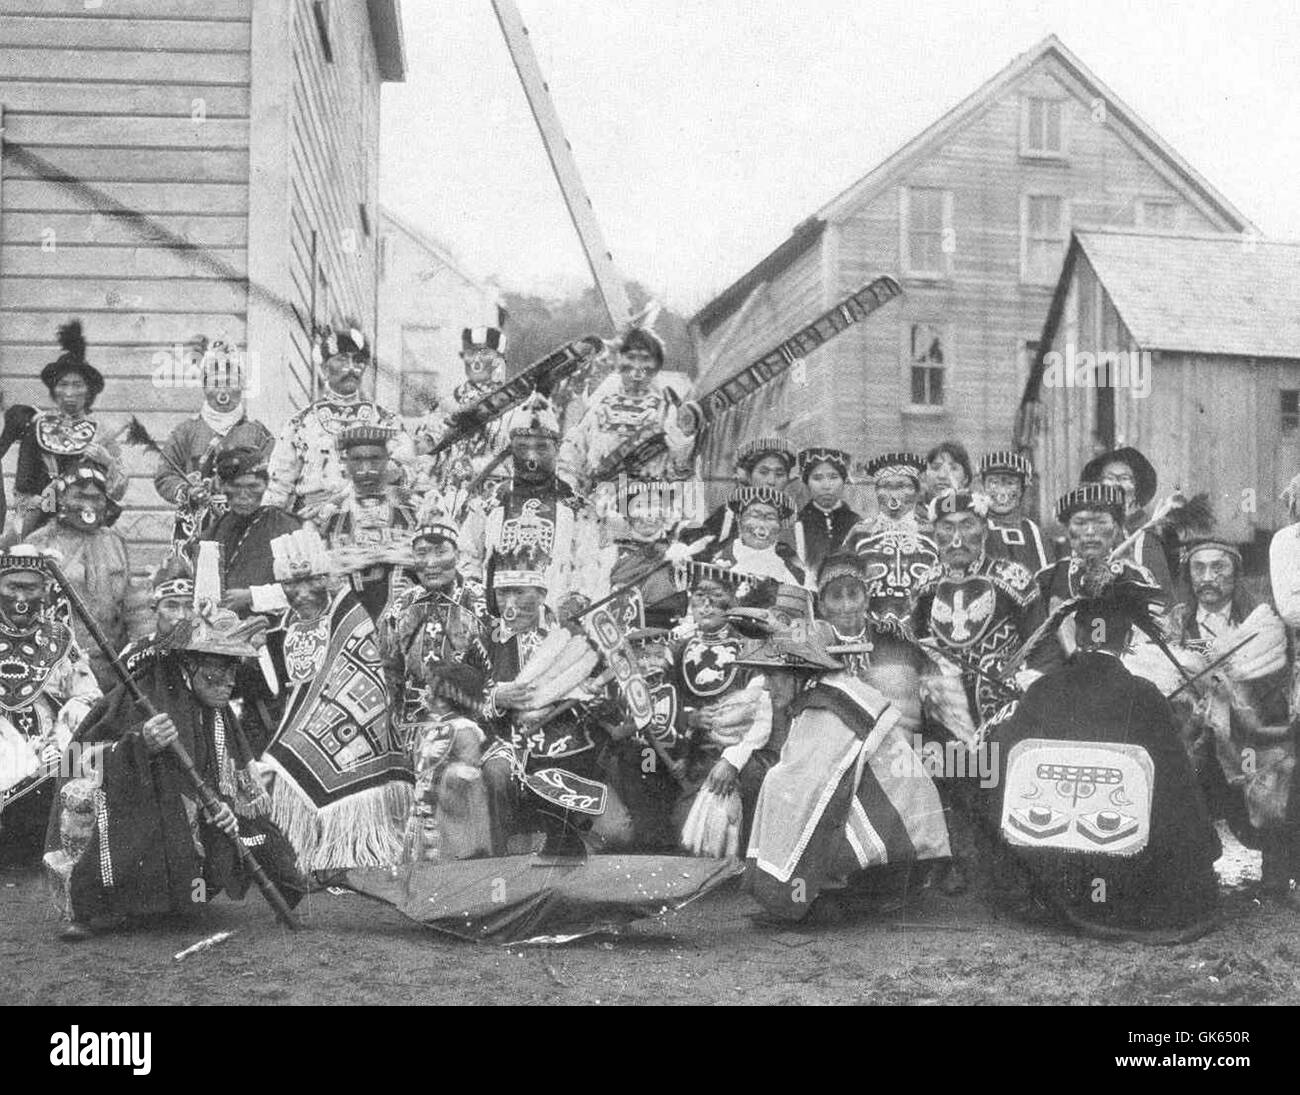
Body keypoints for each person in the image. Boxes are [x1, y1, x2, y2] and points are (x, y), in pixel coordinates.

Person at [978, 564, 1220, 941]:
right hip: (1124, 880)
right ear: (1127, 641)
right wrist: (1204, 849)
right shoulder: (1145, 696)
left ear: (1075, 633)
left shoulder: (1041, 691)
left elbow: (1004, 787)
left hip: (1049, 876)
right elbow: (1178, 797)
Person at [44, 606, 308, 941]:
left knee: (218, 865)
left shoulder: (218, 713)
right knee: (144, 811)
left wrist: (224, 804)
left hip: (193, 823)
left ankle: (189, 902)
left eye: (233, 669)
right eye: (216, 669)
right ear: (187, 664)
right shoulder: (139, 697)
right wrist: (139, 744)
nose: (228, 681)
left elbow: (229, 778)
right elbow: (74, 762)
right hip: (137, 810)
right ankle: (94, 907)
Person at [744, 623, 951, 924]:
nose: (766, 686)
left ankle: (804, 898)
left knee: (784, 788)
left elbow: (814, 785)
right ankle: (820, 894)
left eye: (773, 676)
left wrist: (776, 782)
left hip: (903, 840)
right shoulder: (826, 692)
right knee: (783, 784)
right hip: (904, 826)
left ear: (797, 673)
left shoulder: (827, 704)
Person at [910, 490, 1042, 896]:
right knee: (932, 760)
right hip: (943, 713)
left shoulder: (1014, 580)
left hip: (1004, 709)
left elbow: (1044, 646)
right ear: (933, 533)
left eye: (967, 526)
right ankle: (950, 859)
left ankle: (1011, 868)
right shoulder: (925, 586)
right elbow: (914, 648)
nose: (957, 538)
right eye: (946, 528)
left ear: (984, 528)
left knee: (996, 768)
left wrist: (1025, 682)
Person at [259, 527, 411, 872]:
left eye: (308, 581)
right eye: (290, 586)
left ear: (325, 579)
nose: (300, 593)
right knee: (282, 750)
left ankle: (344, 848)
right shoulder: (282, 626)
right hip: (301, 718)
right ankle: (299, 850)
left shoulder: (350, 618)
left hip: (355, 720)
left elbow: (366, 680)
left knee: (289, 750)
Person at [1169, 537, 1296, 904]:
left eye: (1219, 567)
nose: (1208, 577)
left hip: (1247, 739)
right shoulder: (1177, 623)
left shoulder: (1263, 624)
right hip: (1194, 738)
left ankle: (1277, 873)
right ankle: (1194, 872)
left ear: (1236, 573)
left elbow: (1277, 688)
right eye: (1199, 568)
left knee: (1276, 773)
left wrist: (1237, 696)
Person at [480, 558, 616, 857]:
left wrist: (588, 696)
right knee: (497, 772)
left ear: (542, 594)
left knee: (617, 833)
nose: (510, 604)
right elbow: (464, 694)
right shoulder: (483, 640)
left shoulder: (570, 636)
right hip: (506, 744)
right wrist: (496, 699)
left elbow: (607, 697)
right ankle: (501, 867)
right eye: (503, 594)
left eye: (520, 592)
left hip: (568, 745)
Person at [459, 392, 611, 622]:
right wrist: (480, 604)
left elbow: (591, 567)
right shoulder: (488, 504)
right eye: (522, 447)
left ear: (556, 449)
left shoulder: (578, 509)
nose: (531, 457)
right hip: (494, 625)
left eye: (541, 447)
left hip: (554, 627)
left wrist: (574, 603)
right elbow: (467, 558)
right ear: (511, 450)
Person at [0, 547, 101, 867]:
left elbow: (90, 694)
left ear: (45, 591)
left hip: (44, 749)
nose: (21, 596)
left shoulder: (59, 638)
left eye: (30, 588)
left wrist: (64, 727)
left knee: (79, 738)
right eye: (12, 586)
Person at [263, 322, 414, 527]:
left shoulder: (386, 421)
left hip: (370, 524)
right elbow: (277, 489)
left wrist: (340, 498)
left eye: (359, 361)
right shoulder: (300, 423)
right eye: (342, 359)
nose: (351, 368)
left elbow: (405, 468)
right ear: (325, 367)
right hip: (313, 525)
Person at [668, 566, 772, 856]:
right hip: (695, 757)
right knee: (685, 831)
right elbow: (665, 700)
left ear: (732, 601)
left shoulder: (750, 649)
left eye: (716, 596)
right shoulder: (679, 649)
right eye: (699, 595)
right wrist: (689, 718)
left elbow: (762, 713)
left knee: (742, 831)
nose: (706, 604)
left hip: (744, 758)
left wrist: (733, 760)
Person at [27, 459, 150, 689]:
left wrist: (143, 649)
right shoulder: (40, 541)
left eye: (96, 498)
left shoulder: (114, 541)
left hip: (109, 668)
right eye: (80, 496)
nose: (88, 505)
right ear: (62, 498)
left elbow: (132, 604)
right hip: (55, 668)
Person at [376, 515, 491, 756]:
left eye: (440, 552)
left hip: (470, 715)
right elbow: (390, 668)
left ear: (457, 556)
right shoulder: (402, 604)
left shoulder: (481, 601)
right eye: (422, 553)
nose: (430, 562)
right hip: (413, 718)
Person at [0, 321, 127, 539]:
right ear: (54, 389)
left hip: (89, 528)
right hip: (40, 530)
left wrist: (107, 462)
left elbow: (117, 491)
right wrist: (45, 502)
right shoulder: (38, 428)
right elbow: (22, 494)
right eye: (63, 384)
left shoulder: (101, 433)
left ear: (89, 391)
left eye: (77, 385)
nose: (69, 392)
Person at [153, 338, 275, 544]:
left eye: (230, 382)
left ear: (242, 385)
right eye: (215, 383)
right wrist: (187, 491)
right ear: (204, 386)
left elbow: (273, 477)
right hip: (196, 525)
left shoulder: (258, 433)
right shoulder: (185, 431)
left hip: (245, 521)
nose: (223, 391)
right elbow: (164, 476)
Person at [1037, 483, 1163, 671]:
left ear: (1117, 527)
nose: (1089, 532)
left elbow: (1149, 647)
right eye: (1080, 523)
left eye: (1100, 522)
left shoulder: (1136, 578)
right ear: (1066, 529)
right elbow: (1037, 648)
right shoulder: (1047, 579)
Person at [557, 327, 696, 493]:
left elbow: (680, 476)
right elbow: (571, 456)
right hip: (597, 505)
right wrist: (569, 483)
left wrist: (681, 459)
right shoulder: (599, 409)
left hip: (649, 506)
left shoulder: (668, 413)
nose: (637, 366)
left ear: (657, 365)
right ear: (619, 361)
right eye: (631, 357)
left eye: (645, 358)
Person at [320, 424, 419, 623]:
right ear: (345, 463)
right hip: (347, 620)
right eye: (357, 460)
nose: (366, 470)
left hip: (409, 614)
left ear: (387, 460)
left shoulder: (415, 506)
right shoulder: (329, 513)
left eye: (375, 459)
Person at [844, 453, 939, 623]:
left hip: (925, 624)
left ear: (917, 491)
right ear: (876, 491)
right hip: (871, 626)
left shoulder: (934, 532)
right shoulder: (860, 532)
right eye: (886, 486)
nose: (894, 494)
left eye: (903, 486)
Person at [1081, 445, 1174, 600]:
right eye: (1109, 478)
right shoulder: (1088, 532)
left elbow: (1159, 598)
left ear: (1137, 487)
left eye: (1125, 478)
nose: (1116, 484)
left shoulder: (1148, 536)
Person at [413, 325, 509, 473]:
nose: (476, 361)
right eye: (471, 353)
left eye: (485, 353)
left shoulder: (516, 403)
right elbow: (423, 456)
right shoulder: (448, 403)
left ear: (499, 360)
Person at [689, 437, 797, 550]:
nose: (771, 481)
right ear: (749, 477)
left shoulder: (794, 520)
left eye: (779, 474)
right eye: (763, 472)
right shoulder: (728, 515)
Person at [704, 486, 806, 588]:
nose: (761, 524)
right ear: (740, 520)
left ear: (780, 526)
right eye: (754, 516)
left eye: (770, 518)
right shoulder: (721, 555)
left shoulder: (791, 561)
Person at [120, 553, 196, 676]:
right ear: (155, 609)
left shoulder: (212, 654)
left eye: (189, 606)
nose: (182, 615)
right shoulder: (133, 655)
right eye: (171, 606)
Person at [978, 451, 1050, 572]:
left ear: (1023, 489)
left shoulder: (1032, 531)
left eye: (1010, 483)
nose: (1002, 492)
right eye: (994, 482)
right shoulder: (976, 526)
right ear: (982, 486)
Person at [792, 447, 860, 576]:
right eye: (817, 478)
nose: (826, 486)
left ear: (844, 480)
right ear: (807, 482)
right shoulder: (798, 522)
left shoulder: (857, 523)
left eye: (833, 477)